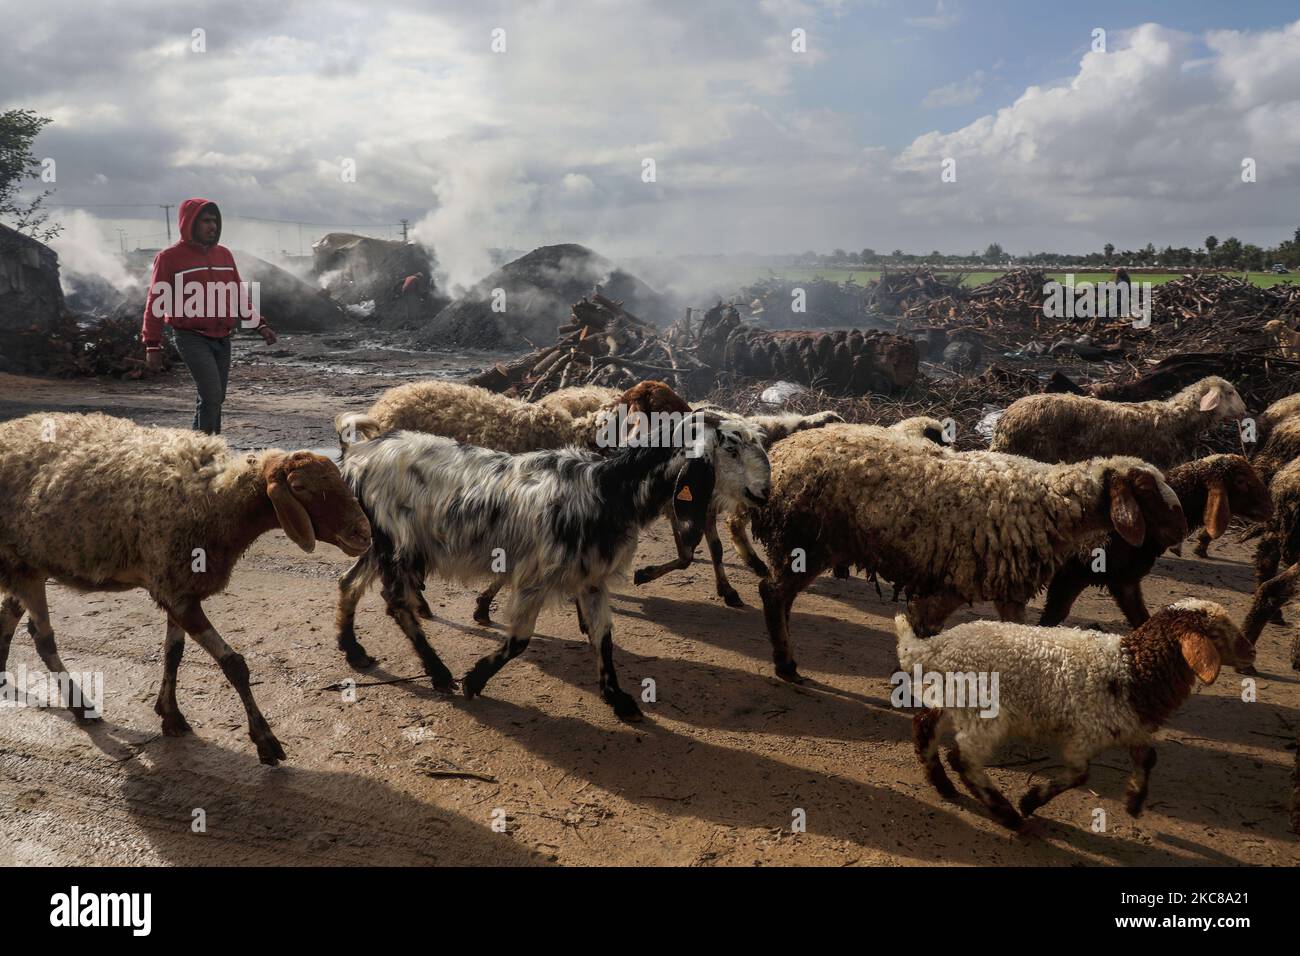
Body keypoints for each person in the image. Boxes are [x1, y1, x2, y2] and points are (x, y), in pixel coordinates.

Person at [141, 198, 276, 434]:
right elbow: (155, 301)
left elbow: (238, 294)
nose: (212, 226)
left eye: (214, 220)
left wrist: (259, 325)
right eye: (205, 221)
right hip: (191, 337)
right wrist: (152, 345)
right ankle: (208, 454)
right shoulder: (169, 258)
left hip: (223, 337)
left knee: (215, 398)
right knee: (211, 395)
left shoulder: (224, 255)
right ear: (189, 223)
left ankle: (198, 449)